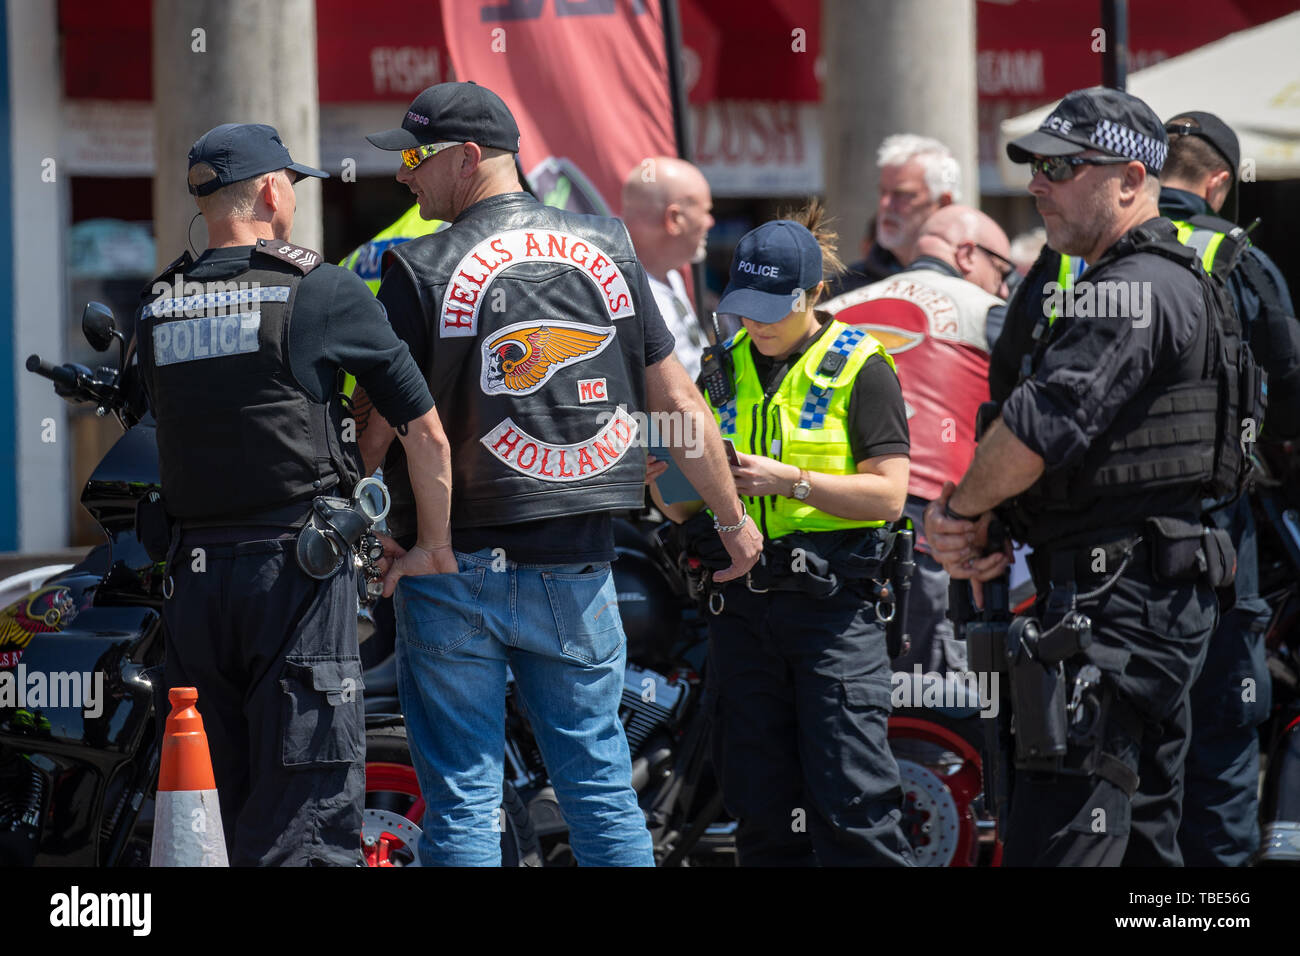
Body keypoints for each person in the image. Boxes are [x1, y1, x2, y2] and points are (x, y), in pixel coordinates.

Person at [358, 81, 762, 867]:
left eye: (415, 157)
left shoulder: (418, 266)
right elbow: (676, 401)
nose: (403, 176)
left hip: (450, 564)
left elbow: (381, 422)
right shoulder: (609, 246)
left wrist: (359, 520)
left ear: (469, 158)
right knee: (600, 787)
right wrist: (731, 519)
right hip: (575, 562)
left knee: (466, 798)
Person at [924, 87, 1253, 866]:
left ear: (1132, 180)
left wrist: (960, 510)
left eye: (1064, 166)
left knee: (1065, 839)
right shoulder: (1149, 279)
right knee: (1139, 846)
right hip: (1141, 603)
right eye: (1037, 166)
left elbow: (1038, 429)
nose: (1039, 183)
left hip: (1115, 615)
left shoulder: (1128, 290)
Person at [133, 123, 456, 866]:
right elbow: (427, 434)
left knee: (212, 797)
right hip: (294, 579)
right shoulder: (317, 288)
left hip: (192, 583)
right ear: (274, 192)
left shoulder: (158, 301)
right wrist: (433, 547)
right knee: (304, 813)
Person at [653, 207, 915, 867]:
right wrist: (664, 479)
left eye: (775, 307)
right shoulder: (717, 368)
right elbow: (684, 511)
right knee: (763, 815)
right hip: (741, 616)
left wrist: (791, 482)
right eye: (746, 306)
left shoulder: (862, 365)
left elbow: (889, 494)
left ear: (815, 295)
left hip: (833, 612)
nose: (758, 322)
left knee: (855, 808)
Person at [1158, 110, 1300, 867]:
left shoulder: (1080, 257)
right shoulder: (1237, 255)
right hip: (1216, 543)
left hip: (1093, 560)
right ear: (1220, 182)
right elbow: (1292, 379)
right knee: (1218, 754)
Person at [825, 205, 1011, 678]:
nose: (1005, 286)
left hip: (815, 527)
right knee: (934, 709)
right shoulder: (989, 312)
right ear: (968, 254)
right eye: (1002, 270)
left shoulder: (829, 311)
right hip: (932, 531)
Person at [825, 134, 961, 298]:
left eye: (902, 194)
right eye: (882, 192)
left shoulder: (977, 282)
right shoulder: (842, 288)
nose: (885, 203)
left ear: (943, 203)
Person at [621, 157, 715, 380]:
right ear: (674, 218)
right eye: (706, 211)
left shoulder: (670, 275)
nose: (710, 222)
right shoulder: (624, 294)